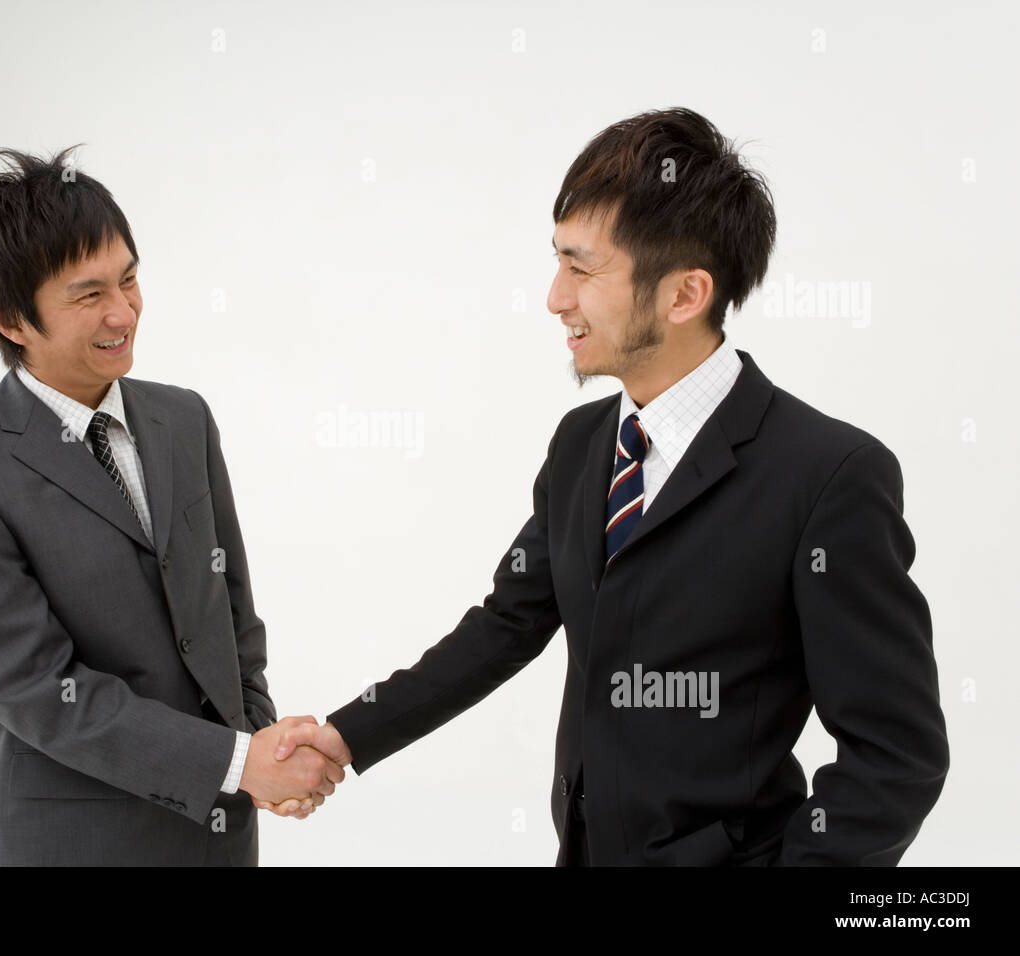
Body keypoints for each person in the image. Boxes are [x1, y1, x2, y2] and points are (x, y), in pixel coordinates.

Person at [261, 108, 950, 866]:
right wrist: (345, 736)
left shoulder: (829, 476)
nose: (556, 297)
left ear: (684, 295)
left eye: (583, 269)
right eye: (558, 261)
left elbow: (897, 757)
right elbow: (506, 625)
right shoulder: (583, 445)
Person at [0, 146, 340, 865]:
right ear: (11, 318)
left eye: (130, 280)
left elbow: (231, 611)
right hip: (82, 841)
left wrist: (261, 748)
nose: (123, 311)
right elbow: (37, 688)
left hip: (221, 833)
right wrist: (236, 762)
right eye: (88, 294)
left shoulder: (183, 419)